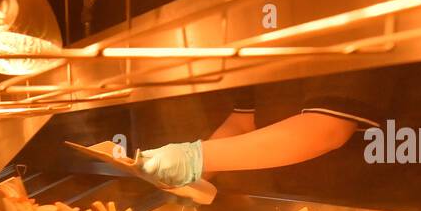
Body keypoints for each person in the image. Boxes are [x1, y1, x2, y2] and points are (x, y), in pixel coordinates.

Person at [132, 80, 380, 192]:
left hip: (367, 204)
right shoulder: (268, 29)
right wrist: (193, 178)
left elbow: (327, 128)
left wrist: (196, 158)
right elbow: (243, 120)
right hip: (290, 196)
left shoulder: (334, 0)